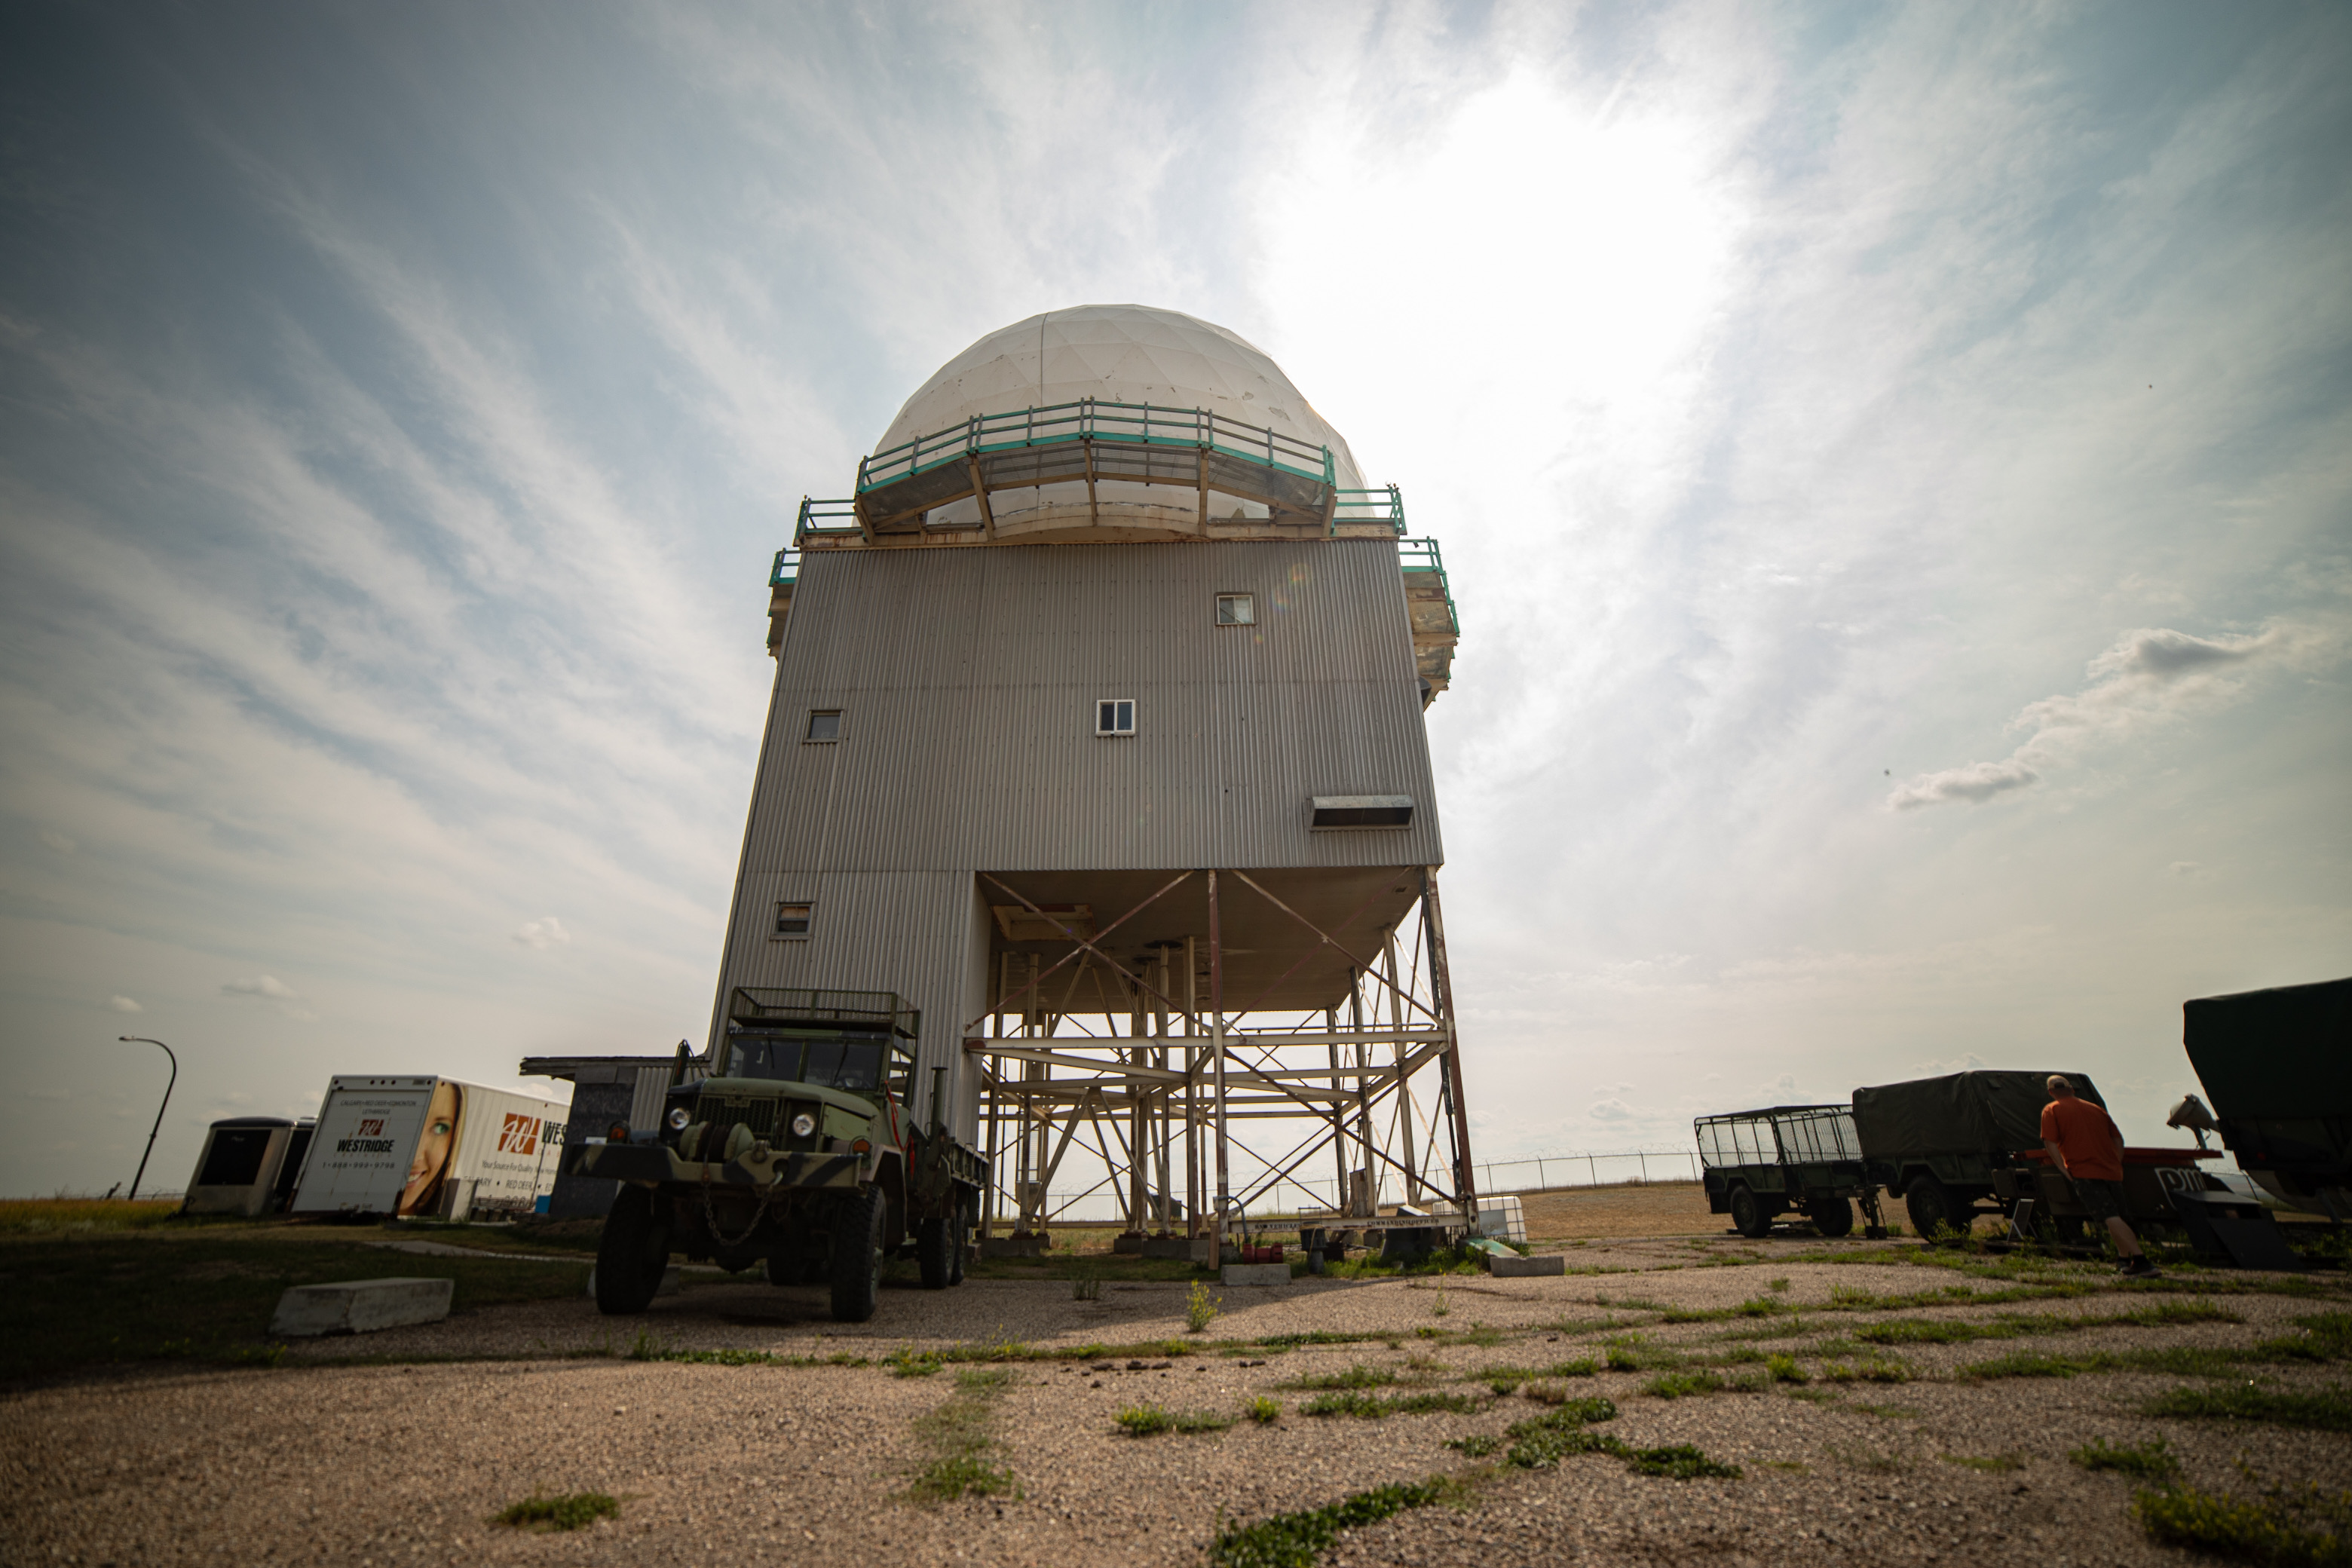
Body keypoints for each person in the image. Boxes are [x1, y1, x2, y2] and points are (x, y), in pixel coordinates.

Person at [2040, 1075, 2154, 1276]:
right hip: (2111, 1171)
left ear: (2051, 1092)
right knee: (2115, 1217)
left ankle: (2141, 1260)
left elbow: (2050, 1143)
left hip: (2084, 1171)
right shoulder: (2096, 1109)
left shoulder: (2052, 1110)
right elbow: (2118, 1139)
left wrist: (2063, 1169)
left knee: (2109, 1217)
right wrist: (2116, 1162)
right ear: (2072, 1089)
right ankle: (2123, 1259)